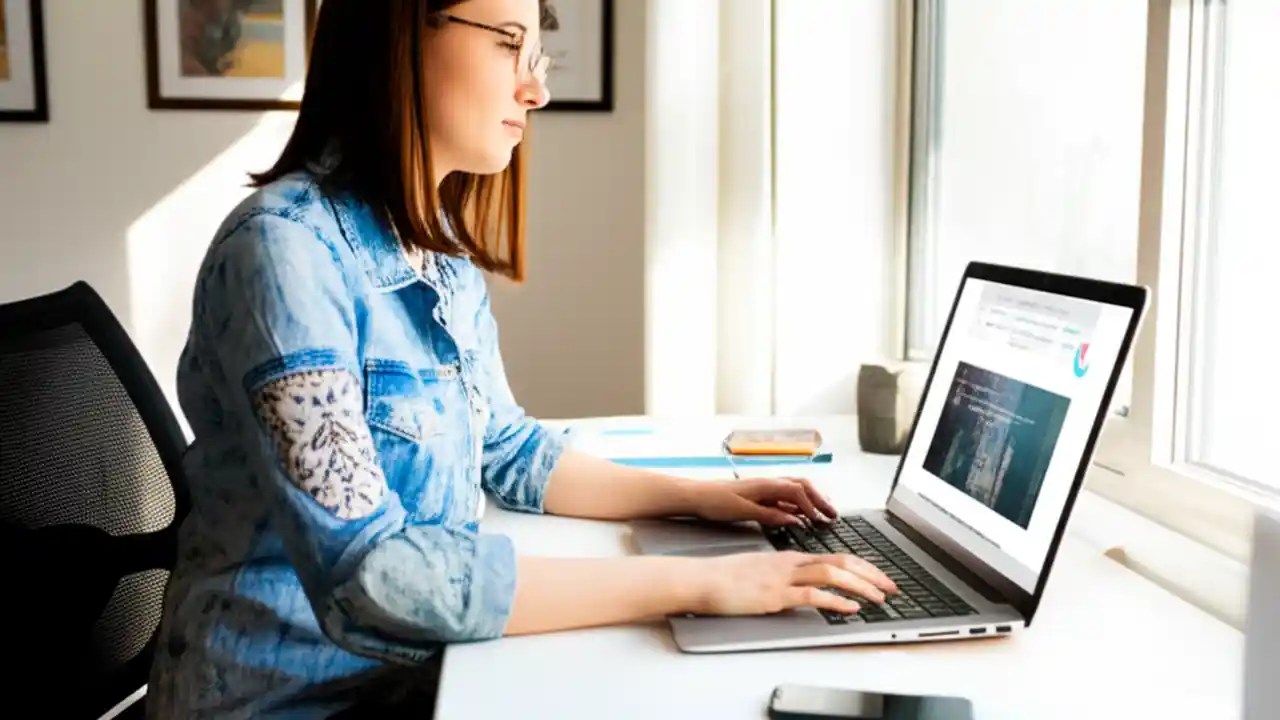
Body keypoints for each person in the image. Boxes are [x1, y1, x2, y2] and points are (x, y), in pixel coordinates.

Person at [147, 1, 896, 717]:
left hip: (415, 678)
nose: (534, 89)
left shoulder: (431, 247)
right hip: (292, 702)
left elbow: (505, 447)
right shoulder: (284, 255)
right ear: (401, 33)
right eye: (508, 45)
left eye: (536, 56)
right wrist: (697, 583)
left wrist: (702, 498)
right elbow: (370, 576)